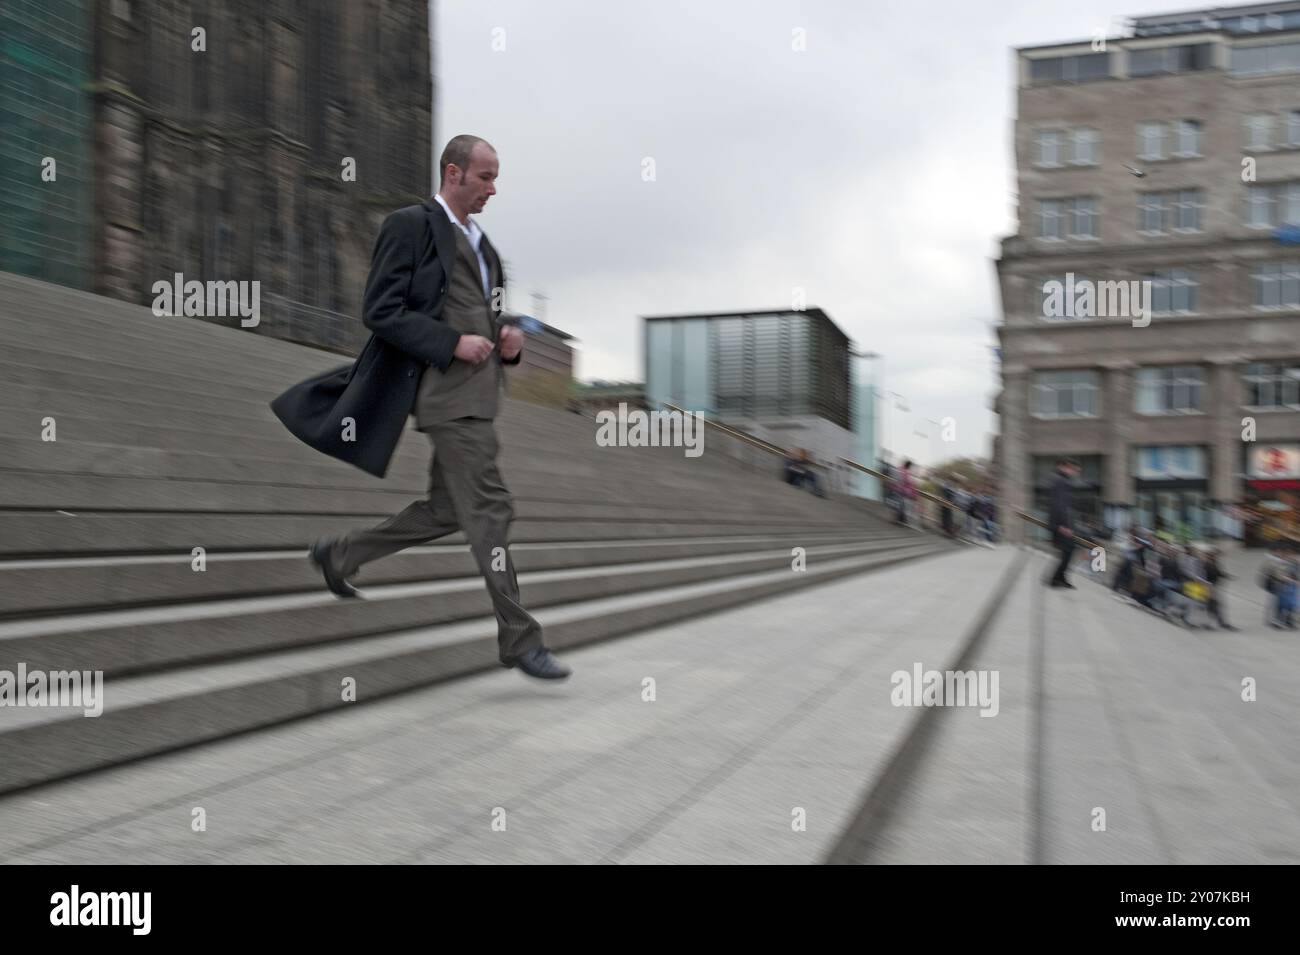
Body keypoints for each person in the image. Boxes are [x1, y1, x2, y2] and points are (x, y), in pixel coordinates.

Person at [271, 135, 570, 680]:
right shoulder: (409, 226)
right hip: (445, 399)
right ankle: (521, 640)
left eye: (496, 177)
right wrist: (449, 343)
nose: (493, 188)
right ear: (453, 173)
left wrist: (510, 342)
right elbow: (380, 310)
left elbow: (488, 318)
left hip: (480, 400)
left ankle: (339, 556)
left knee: (446, 512)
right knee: (492, 510)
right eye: (485, 177)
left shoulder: (485, 250)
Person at [1046, 457, 1080, 588]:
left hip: (1060, 524)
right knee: (1069, 550)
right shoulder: (1060, 481)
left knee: (1068, 551)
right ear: (1066, 467)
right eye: (1074, 470)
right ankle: (1056, 579)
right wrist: (1064, 526)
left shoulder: (1061, 480)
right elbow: (1059, 504)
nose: (1075, 473)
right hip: (1061, 525)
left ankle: (1060, 578)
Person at [1202, 548, 1237, 631]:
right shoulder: (1206, 565)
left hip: (1215, 586)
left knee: (1217, 605)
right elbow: (1204, 577)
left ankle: (1220, 622)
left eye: (1215, 555)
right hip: (1210, 587)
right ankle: (1215, 623)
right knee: (1213, 605)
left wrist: (1229, 576)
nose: (1216, 557)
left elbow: (1220, 573)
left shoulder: (1214, 563)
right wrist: (1208, 586)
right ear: (1209, 556)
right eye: (1213, 555)